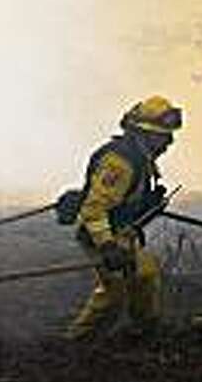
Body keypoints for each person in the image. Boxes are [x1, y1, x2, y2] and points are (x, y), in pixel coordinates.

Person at [66, 96, 180, 340]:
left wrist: (149, 204)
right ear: (143, 134)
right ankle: (76, 342)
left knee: (145, 275)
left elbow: (125, 201)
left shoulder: (140, 156)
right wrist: (107, 247)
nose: (168, 143)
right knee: (113, 294)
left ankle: (145, 329)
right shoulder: (120, 162)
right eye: (163, 136)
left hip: (121, 234)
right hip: (100, 236)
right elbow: (94, 210)